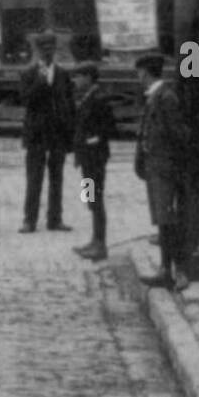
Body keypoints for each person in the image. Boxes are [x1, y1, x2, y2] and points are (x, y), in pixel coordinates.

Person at [135, 52, 193, 290]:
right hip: (156, 167)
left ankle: (174, 271)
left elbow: (177, 133)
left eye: (139, 73)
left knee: (167, 221)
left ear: (146, 73)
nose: (138, 77)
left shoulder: (165, 97)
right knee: (163, 220)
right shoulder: (157, 96)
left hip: (165, 168)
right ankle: (165, 268)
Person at [19, 30, 75, 233]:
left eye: (51, 47)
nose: (48, 51)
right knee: (34, 178)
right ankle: (29, 220)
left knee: (56, 178)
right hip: (36, 135)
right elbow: (26, 100)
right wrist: (40, 82)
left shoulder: (62, 74)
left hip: (57, 134)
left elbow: (68, 104)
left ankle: (55, 219)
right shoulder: (29, 74)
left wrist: (70, 135)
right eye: (44, 48)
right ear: (39, 50)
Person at [72, 62, 114, 261]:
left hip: (95, 158)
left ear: (89, 77)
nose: (76, 81)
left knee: (96, 200)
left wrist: (89, 142)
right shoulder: (87, 97)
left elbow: (107, 130)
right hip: (86, 160)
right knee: (90, 199)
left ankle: (100, 243)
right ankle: (94, 239)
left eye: (79, 77)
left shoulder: (99, 99)